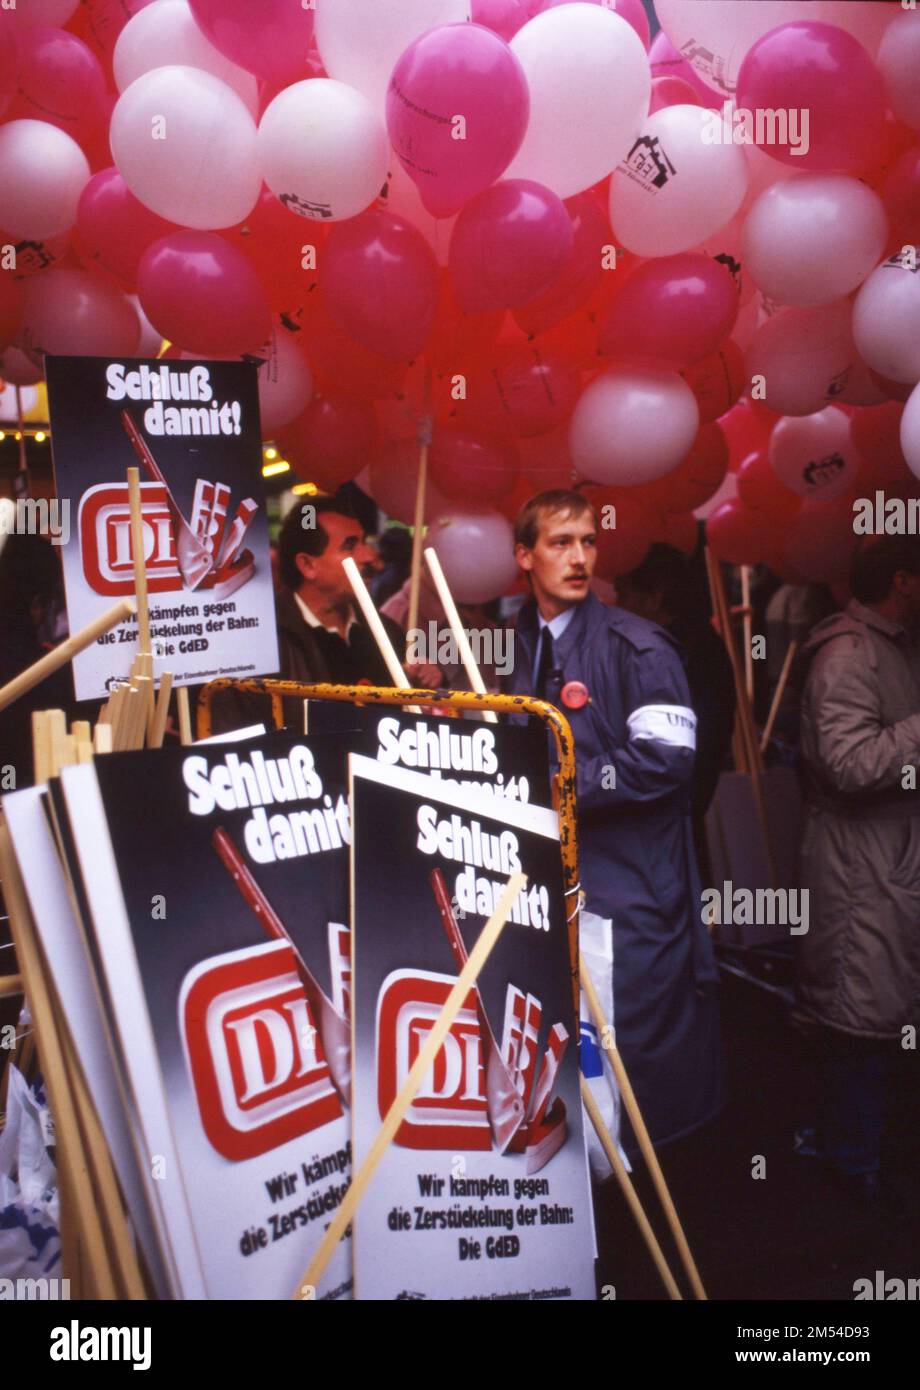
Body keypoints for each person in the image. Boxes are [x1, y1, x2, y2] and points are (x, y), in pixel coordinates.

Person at [505, 491, 725, 1150]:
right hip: (561, 882)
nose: (579, 558)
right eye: (560, 543)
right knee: (575, 1045)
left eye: (588, 543)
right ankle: (591, 1196)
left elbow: (667, 759)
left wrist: (563, 787)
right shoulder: (523, 639)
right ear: (524, 556)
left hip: (632, 888)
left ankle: (659, 1214)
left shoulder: (639, 646)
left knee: (639, 1047)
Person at [794, 536, 920, 1201]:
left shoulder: (894, 643)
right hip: (857, 866)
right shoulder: (847, 654)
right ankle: (850, 1165)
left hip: (888, 859)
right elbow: (849, 764)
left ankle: (852, 1148)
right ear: (902, 580)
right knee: (858, 1013)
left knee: (876, 1006)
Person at [211, 495, 438, 732]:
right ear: (308, 565)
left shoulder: (387, 633)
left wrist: (428, 681)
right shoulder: (259, 644)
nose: (370, 556)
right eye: (350, 546)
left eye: (364, 541)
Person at [614, 543, 736, 860]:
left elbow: (677, 755)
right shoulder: (692, 645)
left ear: (655, 598)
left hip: (661, 822)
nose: (616, 605)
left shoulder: (670, 655)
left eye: (624, 594)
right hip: (673, 818)